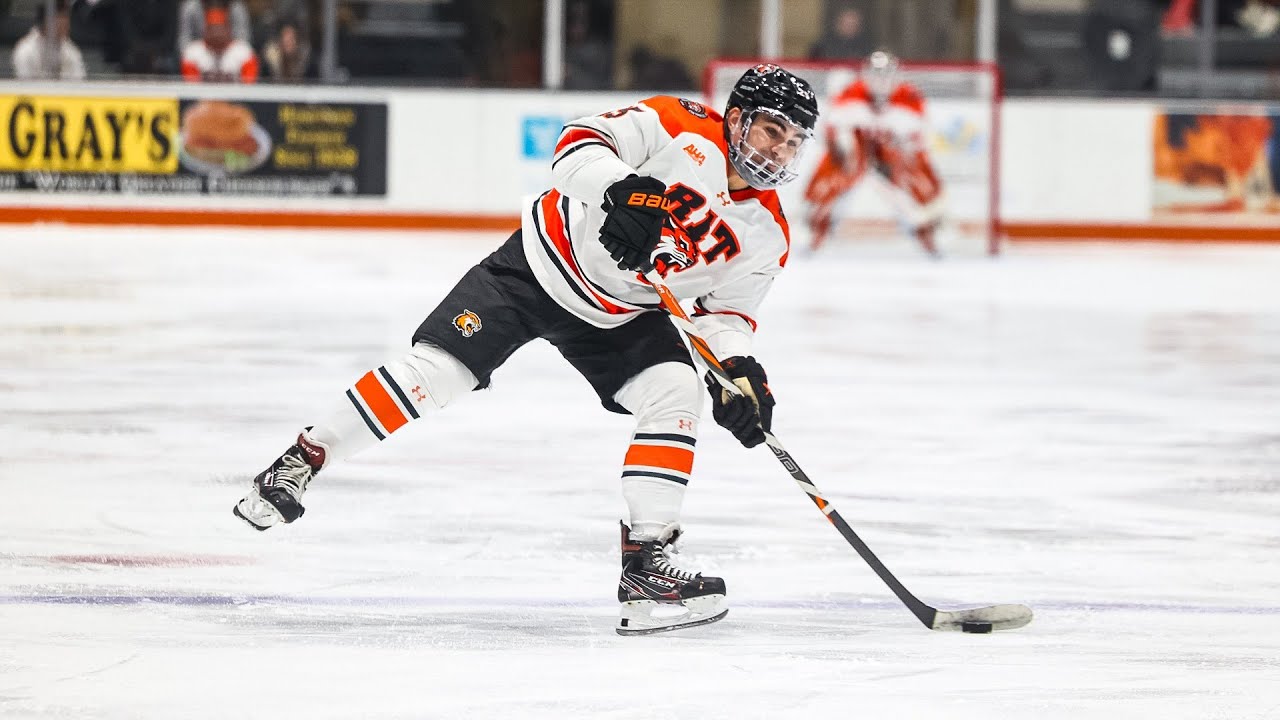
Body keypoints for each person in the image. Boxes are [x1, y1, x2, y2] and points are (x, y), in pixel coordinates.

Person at [233, 63, 819, 635]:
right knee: (436, 374)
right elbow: (576, 145)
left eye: (794, 142)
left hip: (620, 317)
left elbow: (727, 314)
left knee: (677, 388)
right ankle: (301, 461)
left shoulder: (769, 234)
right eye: (772, 130)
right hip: (536, 270)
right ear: (736, 117)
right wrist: (619, 190)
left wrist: (738, 370)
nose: (779, 152)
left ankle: (645, 567)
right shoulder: (677, 123)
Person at [803, 50, 945, 256]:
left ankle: (926, 229)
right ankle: (819, 227)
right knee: (840, 174)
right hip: (859, 148)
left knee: (913, 181)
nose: (880, 82)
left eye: (885, 75)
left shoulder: (909, 97)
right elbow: (831, 131)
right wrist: (843, 151)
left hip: (892, 153)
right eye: (876, 75)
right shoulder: (851, 93)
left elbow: (919, 142)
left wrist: (897, 155)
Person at [181, 6, 260, 83]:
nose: (216, 33)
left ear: (228, 29)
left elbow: (249, 87)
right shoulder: (192, 52)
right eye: (212, 28)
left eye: (220, 28)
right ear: (205, 30)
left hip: (236, 95)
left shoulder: (244, 52)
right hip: (203, 95)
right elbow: (192, 88)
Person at [11, 1, 86, 80]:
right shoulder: (25, 50)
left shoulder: (70, 49)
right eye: (60, 19)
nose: (66, 24)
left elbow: (79, 81)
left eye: (66, 18)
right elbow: (23, 85)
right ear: (45, 22)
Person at [177, 0, 251, 57]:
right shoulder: (191, 7)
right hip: (200, 54)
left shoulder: (236, 7)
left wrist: (226, 52)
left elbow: (243, 41)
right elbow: (184, 40)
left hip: (229, 54)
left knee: (243, 52)